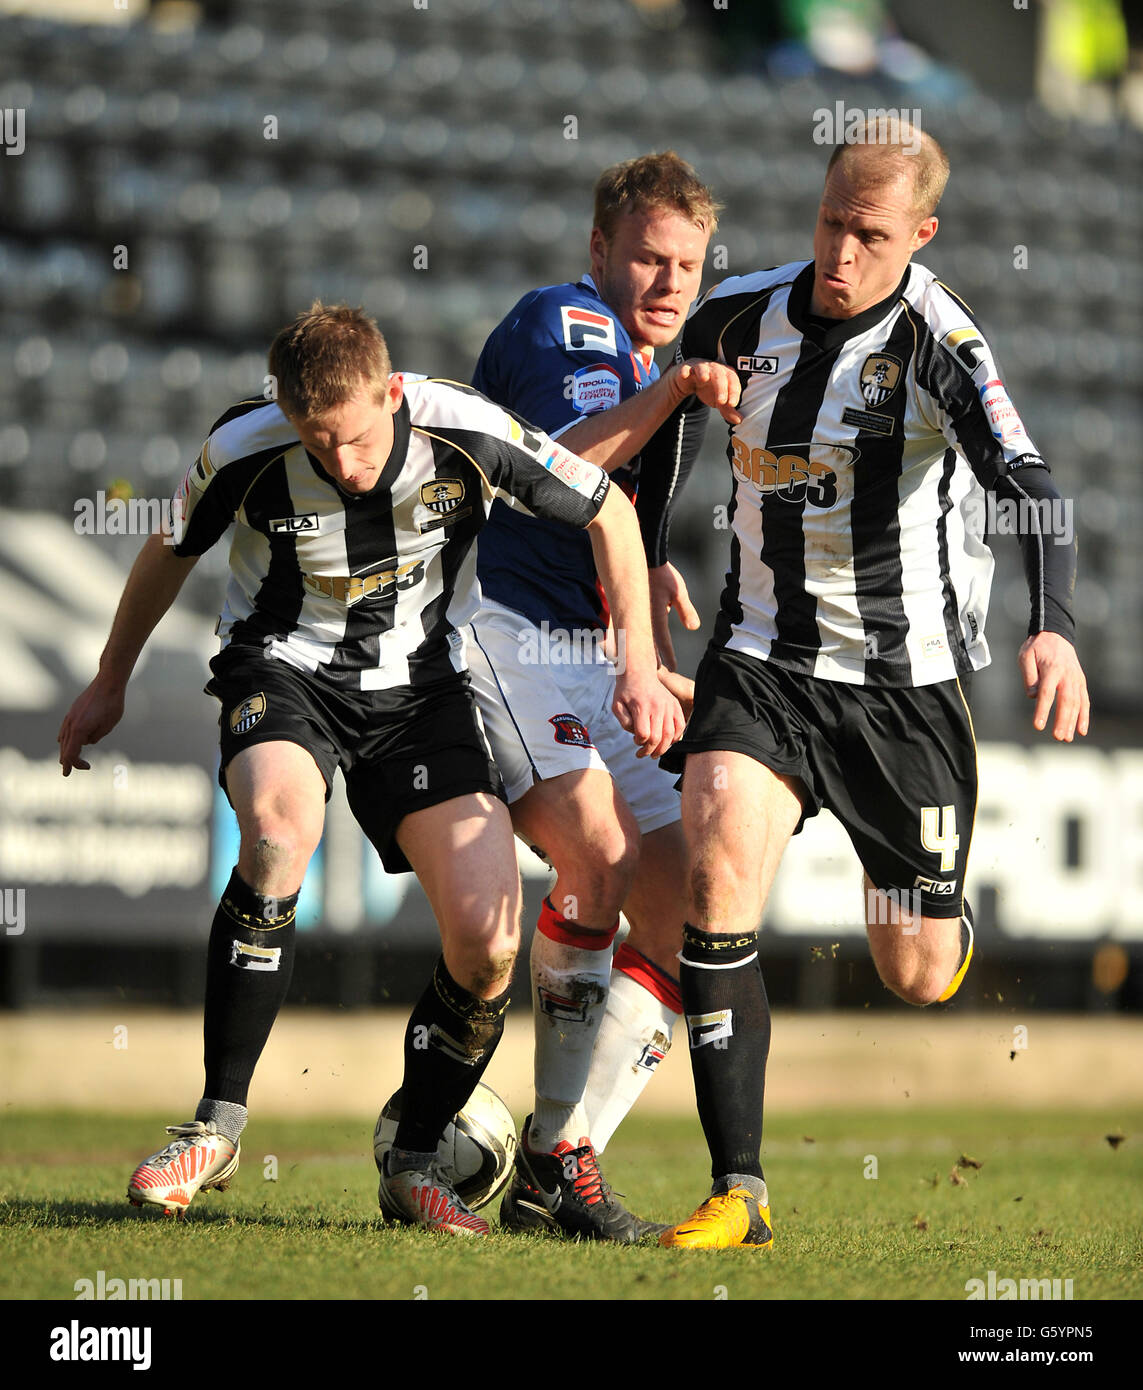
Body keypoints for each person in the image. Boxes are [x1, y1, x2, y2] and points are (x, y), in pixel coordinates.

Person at [56, 302, 682, 1237]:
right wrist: (109, 680)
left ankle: (415, 1160)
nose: (342, 464)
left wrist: (637, 661)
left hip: (420, 693)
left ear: (390, 393)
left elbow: (608, 509)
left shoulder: (463, 429)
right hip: (283, 667)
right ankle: (216, 1126)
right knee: (276, 832)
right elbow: (168, 548)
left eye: (353, 439)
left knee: (490, 941)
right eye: (318, 442)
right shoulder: (244, 445)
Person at [638, 120, 1090, 1249]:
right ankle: (739, 1185)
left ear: (919, 238)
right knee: (713, 863)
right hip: (763, 663)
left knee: (916, 969)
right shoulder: (741, 314)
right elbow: (658, 432)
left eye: (870, 235)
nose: (839, 253)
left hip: (903, 695)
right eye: (830, 221)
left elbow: (1029, 481)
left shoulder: (941, 341)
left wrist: (1055, 627)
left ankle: (944, 919)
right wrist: (644, 552)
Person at [465, 151, 740, 1241]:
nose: (669, 282)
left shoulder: (638, 346)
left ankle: (555, 1158)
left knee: (690, 910)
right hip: (516, 635)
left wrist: (648, 573)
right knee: (599, 851)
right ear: (599, 252)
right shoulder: (569, 324)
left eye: (688, 264)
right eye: (646, 257)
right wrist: (671, 388)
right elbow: (567, 459)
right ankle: (524, 1141)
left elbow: (613, 505)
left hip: (599, 640)